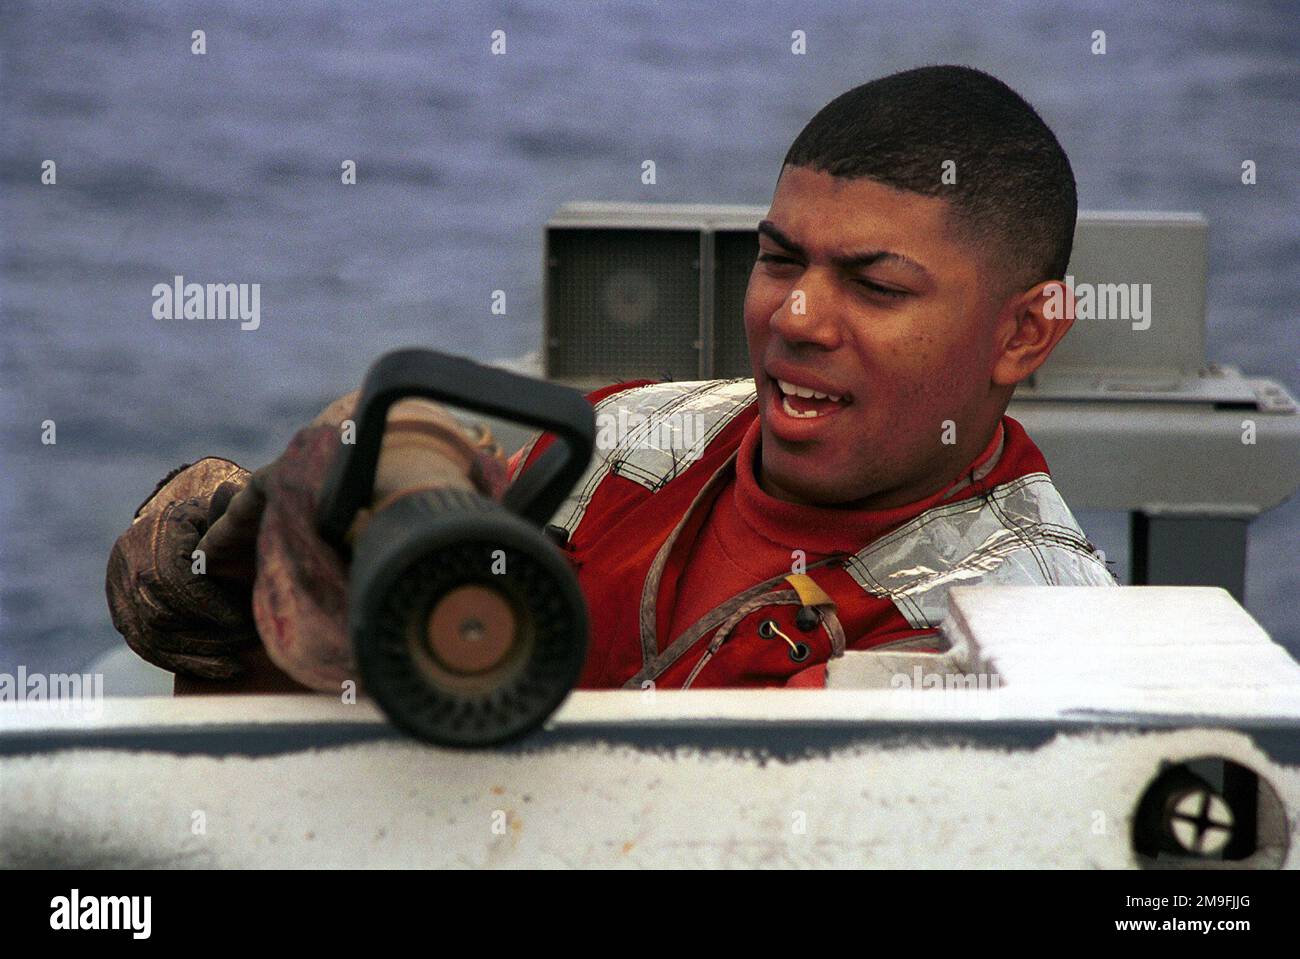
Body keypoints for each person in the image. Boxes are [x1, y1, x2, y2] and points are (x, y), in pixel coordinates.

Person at [107, 65, 1114, 694]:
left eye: (875, 284)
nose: (797, 316)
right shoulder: (621, 438)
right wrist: (230, 575)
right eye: (779, 261)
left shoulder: (1032, 636)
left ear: (1023, 331)